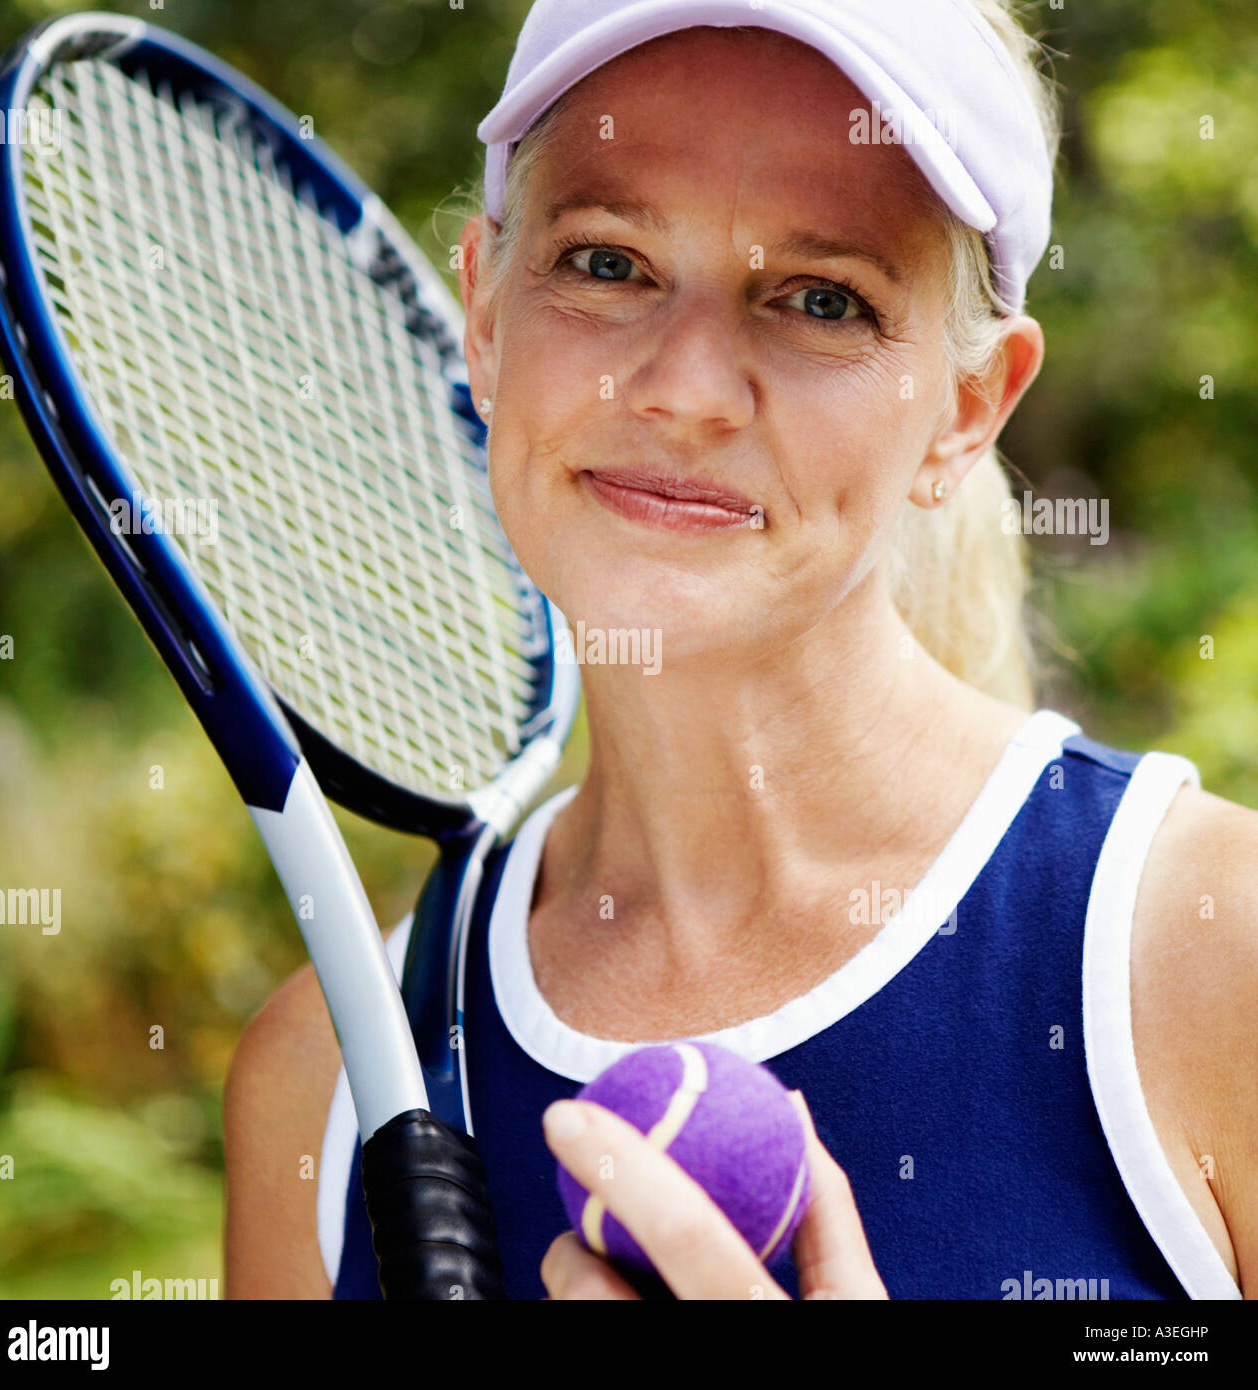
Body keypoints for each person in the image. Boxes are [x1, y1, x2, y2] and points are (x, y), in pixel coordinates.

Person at [224, 0, 1254, 1300]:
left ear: (966, 409)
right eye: (608, 264)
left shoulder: (1211, 957)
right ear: (484, 311)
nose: (686, 387)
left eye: (822, 298)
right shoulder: (323, 1078)